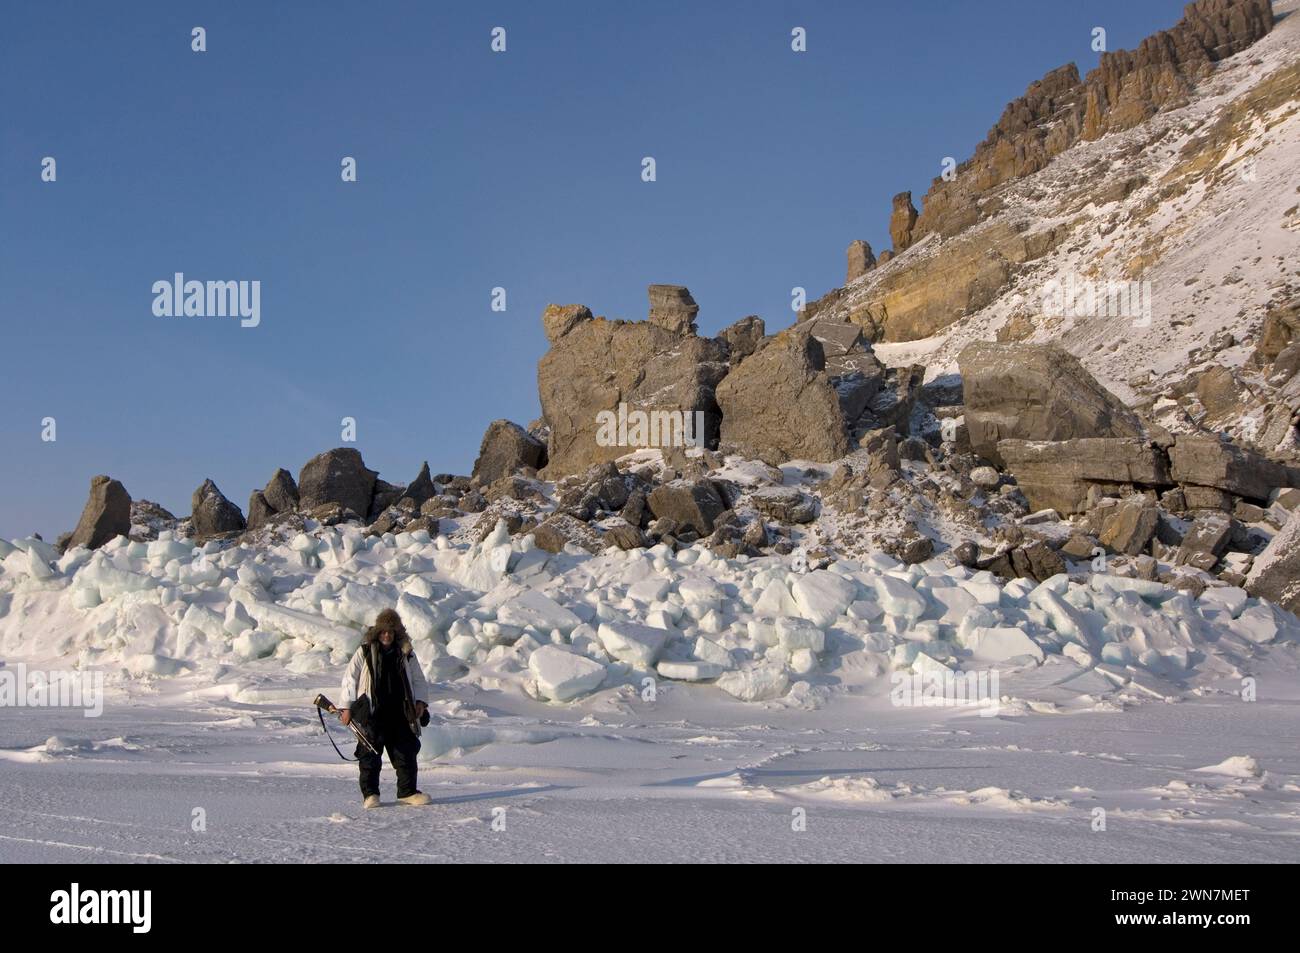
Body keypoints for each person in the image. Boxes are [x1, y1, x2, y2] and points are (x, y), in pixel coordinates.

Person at [338, 607, 431, 808]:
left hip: (400, 712)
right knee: (369, 754)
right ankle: (370, 795)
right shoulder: (364, 651)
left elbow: (418, 679)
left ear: (396, 633)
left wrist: (420, 702)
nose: (387, 635)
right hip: (373, 712)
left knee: (405, 752)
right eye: (383, 631)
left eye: (391, 631)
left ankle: (407, 792)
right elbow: (350, 678)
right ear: (377, 632)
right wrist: (346, 707)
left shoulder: (406, 653)